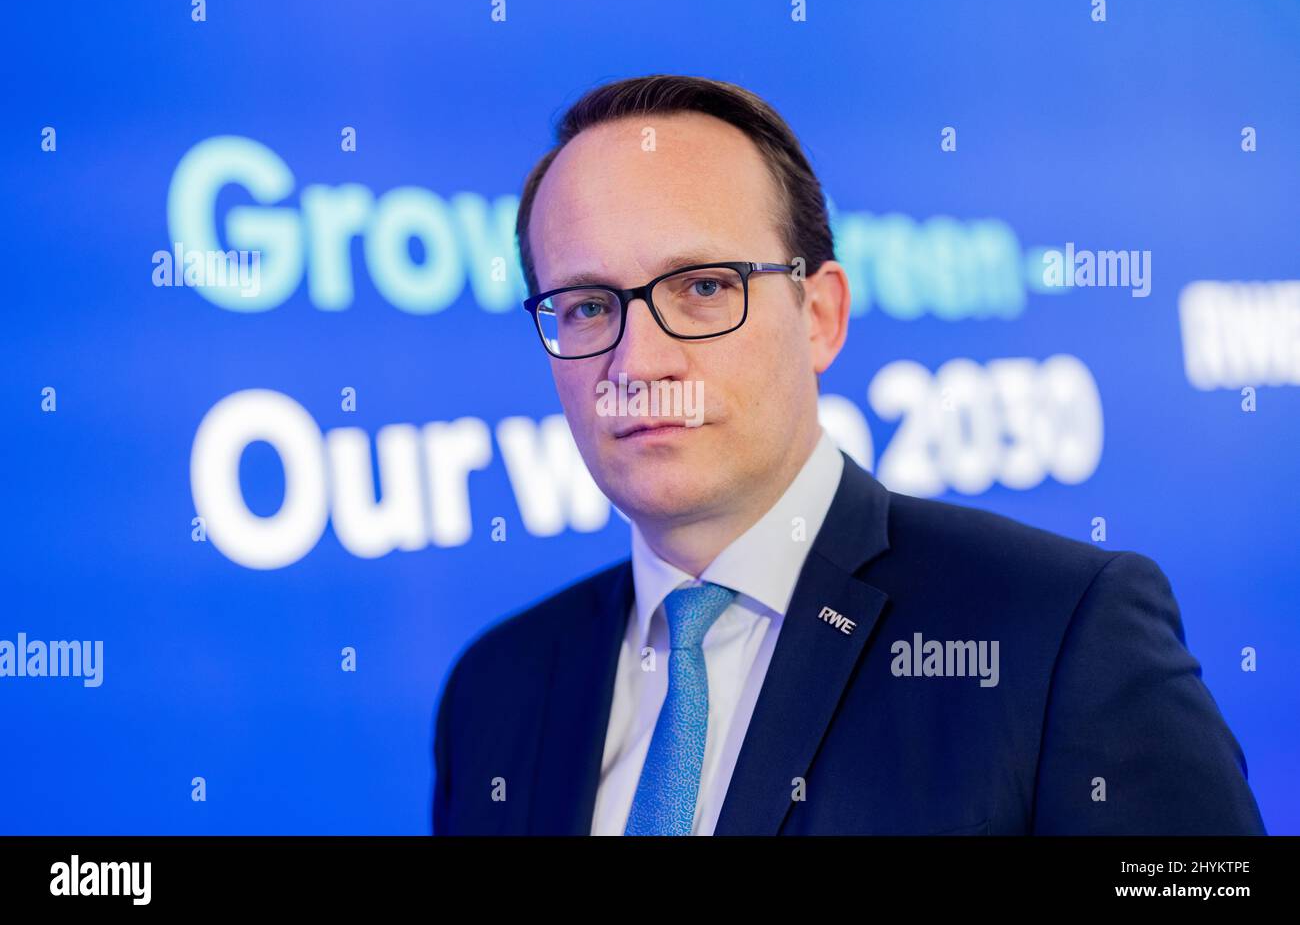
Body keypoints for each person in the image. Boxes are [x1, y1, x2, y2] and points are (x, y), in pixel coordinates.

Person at [432, 74, 1266, 835]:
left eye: (704, 287)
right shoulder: (499, 689)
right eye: (586, 306)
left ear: (820, 316)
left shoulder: (1059, 632)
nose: (639, 360)